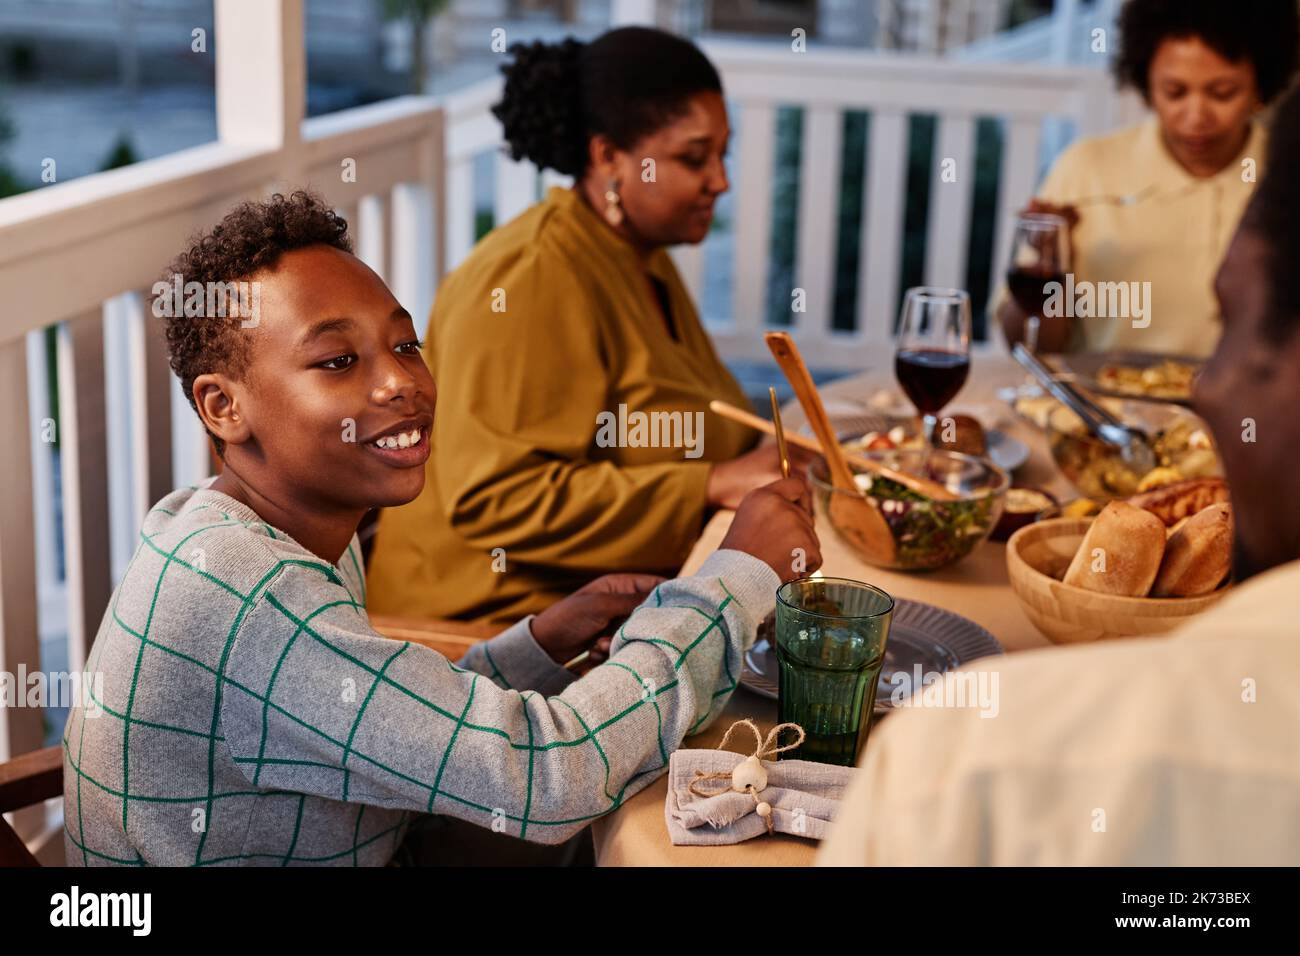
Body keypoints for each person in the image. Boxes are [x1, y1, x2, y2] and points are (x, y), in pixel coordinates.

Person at [61, 190, 821, 867]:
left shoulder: (252, 526)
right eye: (336, 360)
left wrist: (539, 644)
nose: (399, 381)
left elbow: (370, 717)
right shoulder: (252, 598)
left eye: (403, 343)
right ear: (224, 407)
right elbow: (551, 773)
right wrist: (737, 574)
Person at [818, 83, 1300, 866]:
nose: (1206, 388)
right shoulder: (1091, 169)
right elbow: (1030, 333)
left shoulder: (973, 764)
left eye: (1237, 318)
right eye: (1176, 90)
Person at [366, 27, 805, 626]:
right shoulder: (530, 277)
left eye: (722, 155)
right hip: (492, 629)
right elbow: (498, 502)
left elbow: (686, 416)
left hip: (620, 592)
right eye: (693, 158)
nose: (720, 181)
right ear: (607, 157)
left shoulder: (638, 254)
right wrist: (710, 484)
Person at [997, 0, 1298, 357]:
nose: (1196, 116)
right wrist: (1050, 273)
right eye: (1174, 92)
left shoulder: (1285, 178)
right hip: (1102, 408)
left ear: (1260, 86)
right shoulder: (1087, 169)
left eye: (1222, 93)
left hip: (1244, 412)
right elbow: (1027, 346)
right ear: (1145, 82)